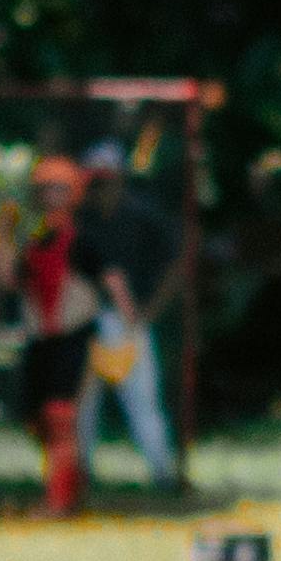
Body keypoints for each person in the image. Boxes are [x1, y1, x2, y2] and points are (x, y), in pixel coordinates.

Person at [7, 153, 127, 517]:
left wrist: (128, 328)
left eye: (60, 189)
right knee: (37, 420)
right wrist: (3, 235)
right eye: (46, 189)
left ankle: (60, 501)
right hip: (40, 340)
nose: (52, 196)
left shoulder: (83, 239)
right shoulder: (31, 239)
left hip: (73, 337)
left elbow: (112, 279)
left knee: (61, 416)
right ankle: (68, 487)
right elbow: (9, 281)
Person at [72, 140, 183, 490]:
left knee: (143, 402)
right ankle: (78, 475)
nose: (101, 187)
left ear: (120, 179)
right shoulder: (78, 217)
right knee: (81, 406)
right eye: (95, 181)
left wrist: (152, 309)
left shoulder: (141, 215)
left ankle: (163, 474)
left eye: (107, 180)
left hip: (127, 321)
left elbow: (177, 260)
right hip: (84, 321)